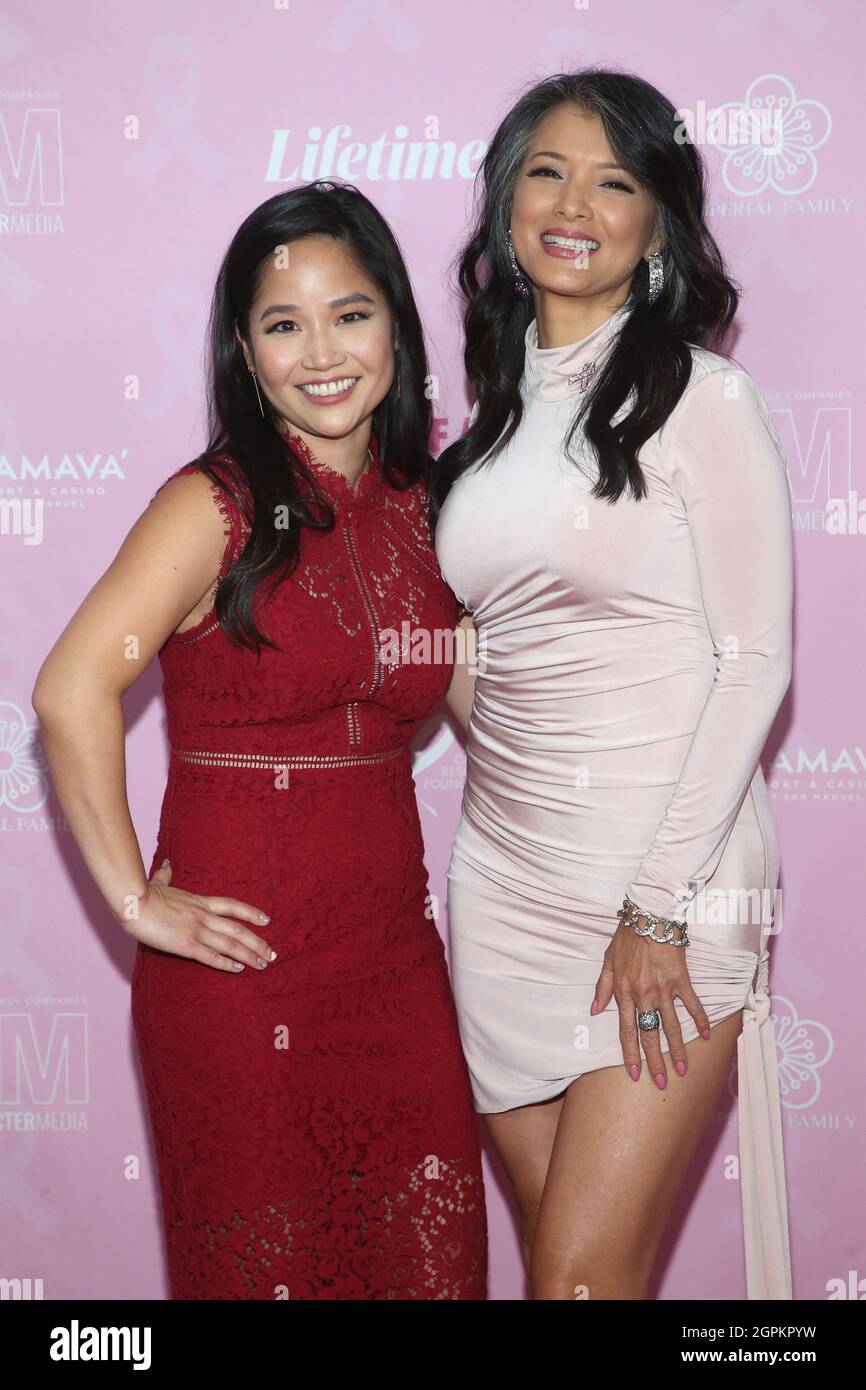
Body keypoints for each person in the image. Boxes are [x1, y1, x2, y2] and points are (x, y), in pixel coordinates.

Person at [32, 181, 487, 1300]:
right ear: (245, 350)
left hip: (395, 975)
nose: (321, 352)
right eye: (283, 324)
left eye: (351, 312)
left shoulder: (438, 507)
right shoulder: (217, 504)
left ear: (397, 327)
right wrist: (135, 900)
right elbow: (70, 686)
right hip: (240, 991)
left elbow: (498, 712)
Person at [431, 68, 794, 1300]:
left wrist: (654, 910)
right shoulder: (486, 423)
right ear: (503, 202)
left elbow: (753, 661)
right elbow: (494, 647)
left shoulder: (704, 397)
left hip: (665, 896)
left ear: (655, 222)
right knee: (579, 1281)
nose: (573, 202)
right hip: (506, 889)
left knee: (575, 1280)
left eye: (614, 179)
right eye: (546, 170)